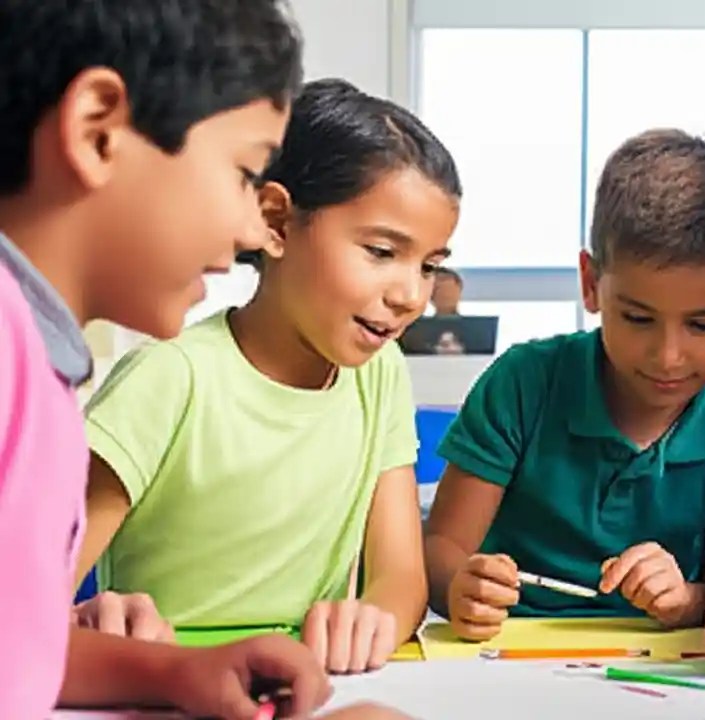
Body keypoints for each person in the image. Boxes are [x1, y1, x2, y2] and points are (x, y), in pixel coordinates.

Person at [0, 1, 340, 717]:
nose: (255, 225)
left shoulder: (41, 366)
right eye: (247, 173)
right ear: (98, 132)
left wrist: (171, 673)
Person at [72, 79, 459, 675]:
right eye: (382, 252)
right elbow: (30, 594)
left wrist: (372, 617)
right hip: (169, 686)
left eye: (430, 266)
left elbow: (402, 577)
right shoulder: (172, 377)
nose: (411, 294)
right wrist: (98, 622)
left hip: (309, 686)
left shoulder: (378, 376)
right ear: (276, 222)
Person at [423, 129, 705, 641]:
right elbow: (440, 549)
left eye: (702, 326)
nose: (668, 356)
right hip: (504, 656)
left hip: (659, 668)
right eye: (636, 318)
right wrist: (460, 585)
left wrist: (686, 601)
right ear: (591, 283)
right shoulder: (523, 384)